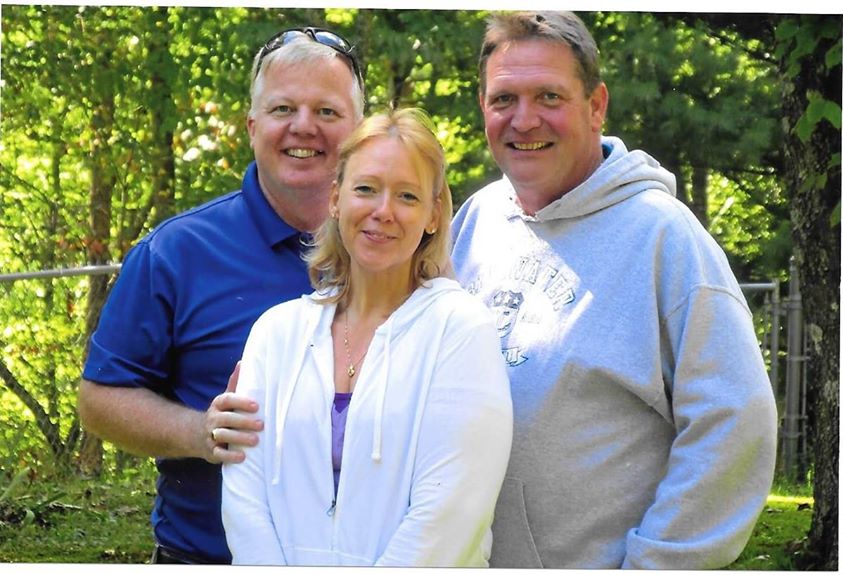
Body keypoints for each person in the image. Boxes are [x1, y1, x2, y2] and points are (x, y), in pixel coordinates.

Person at [450, 11, 779, 569]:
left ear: (596, 105)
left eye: (549, 97)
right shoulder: (475, 221)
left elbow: (735, 420)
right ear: (483, 105)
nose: (524, 120)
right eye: (504, 99)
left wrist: (658, 564)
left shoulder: (664, 237)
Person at [77, 27, 366, 564]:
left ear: (359, 131)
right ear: (252, 126)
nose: (304, 127)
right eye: (283, 108)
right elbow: (99, 400)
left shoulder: (394, 248)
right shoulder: (176, 253)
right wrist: (199, 431)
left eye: (327, 112)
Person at [221, 108, 513, 566]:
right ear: (336, 199)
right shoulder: (275, 334)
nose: (383, 212)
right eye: (366, 189)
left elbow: (452, 512)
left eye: (407, 196)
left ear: (434, 214)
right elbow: (244, 501)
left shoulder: (461, 331)